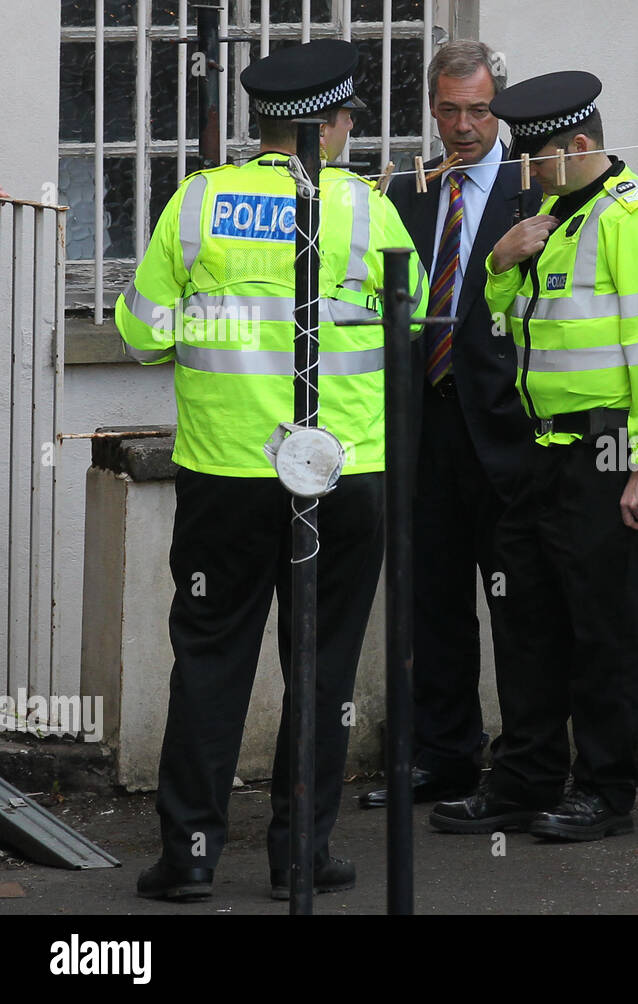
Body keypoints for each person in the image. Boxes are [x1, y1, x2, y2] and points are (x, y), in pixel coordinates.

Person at [116, 39, 428, 901]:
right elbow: (408, 328)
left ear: (263, 127)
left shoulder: (198, 201)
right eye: (349, 121)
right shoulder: (366, 210)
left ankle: (190, 857)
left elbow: (142, 333)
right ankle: (299, 856)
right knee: (322, 667)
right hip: (344, 473)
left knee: (211, 660)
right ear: (327, 126)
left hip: (226, 476)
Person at [428, 71, 638, 840]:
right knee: (526, 620)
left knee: (604, 628)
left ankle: (605, 789)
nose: (524, 174)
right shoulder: (548, 214)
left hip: (609, 451)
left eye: (535, 160)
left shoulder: (634, 217)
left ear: (579, 146)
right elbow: (515, 325)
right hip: (540, 454)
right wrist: (498, 265)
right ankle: (524, 778)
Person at [360, 40, 539, 811]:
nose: (463, 126)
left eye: (478, 109)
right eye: (449, 110)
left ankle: (528, 761)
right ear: (431, 108)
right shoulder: (406, 192)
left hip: (507, 428)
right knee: (431, 599)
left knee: (521, 603)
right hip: (423, 423)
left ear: (499, 105)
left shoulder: (535, 190)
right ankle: (443, 756)